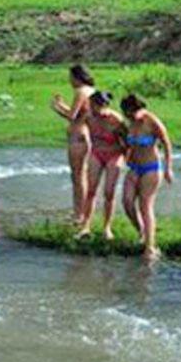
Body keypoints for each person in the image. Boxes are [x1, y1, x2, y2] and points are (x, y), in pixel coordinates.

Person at [119, 94, 174, 260]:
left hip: (151, 168)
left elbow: (167, 143)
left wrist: (168, 169)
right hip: (134, 167)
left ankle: (150, 248)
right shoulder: (130, 123)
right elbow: (128, 144)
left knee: (145, 205)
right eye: (126, 114)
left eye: (130, 113)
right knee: (127, 202)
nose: (129, 117)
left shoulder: (152, 122)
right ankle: (142, 232)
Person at [50, 64, 96, 228]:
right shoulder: (90, 90)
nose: (69, 81)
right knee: (81, 175)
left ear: (77, 77)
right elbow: (79, 113)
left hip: (78, 137)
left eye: (70, 77)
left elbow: (72, 116)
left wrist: (56, 108)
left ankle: (79, 215)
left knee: (78, 177)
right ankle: (81, 213)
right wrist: (62, 104)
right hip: (85, 135)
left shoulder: (80, 91)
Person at [78, 90, 127, 239]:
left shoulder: (116, 120)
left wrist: (128, 158)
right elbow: (73, 120)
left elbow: (128, 141)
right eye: (92, 106)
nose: (94, 110)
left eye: (97, 106)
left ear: (105, 105)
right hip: (96, 154)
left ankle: (107, 228)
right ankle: (85, 226)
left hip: (114, 155)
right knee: (91, 190)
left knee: (109, 192)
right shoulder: (89, 118)